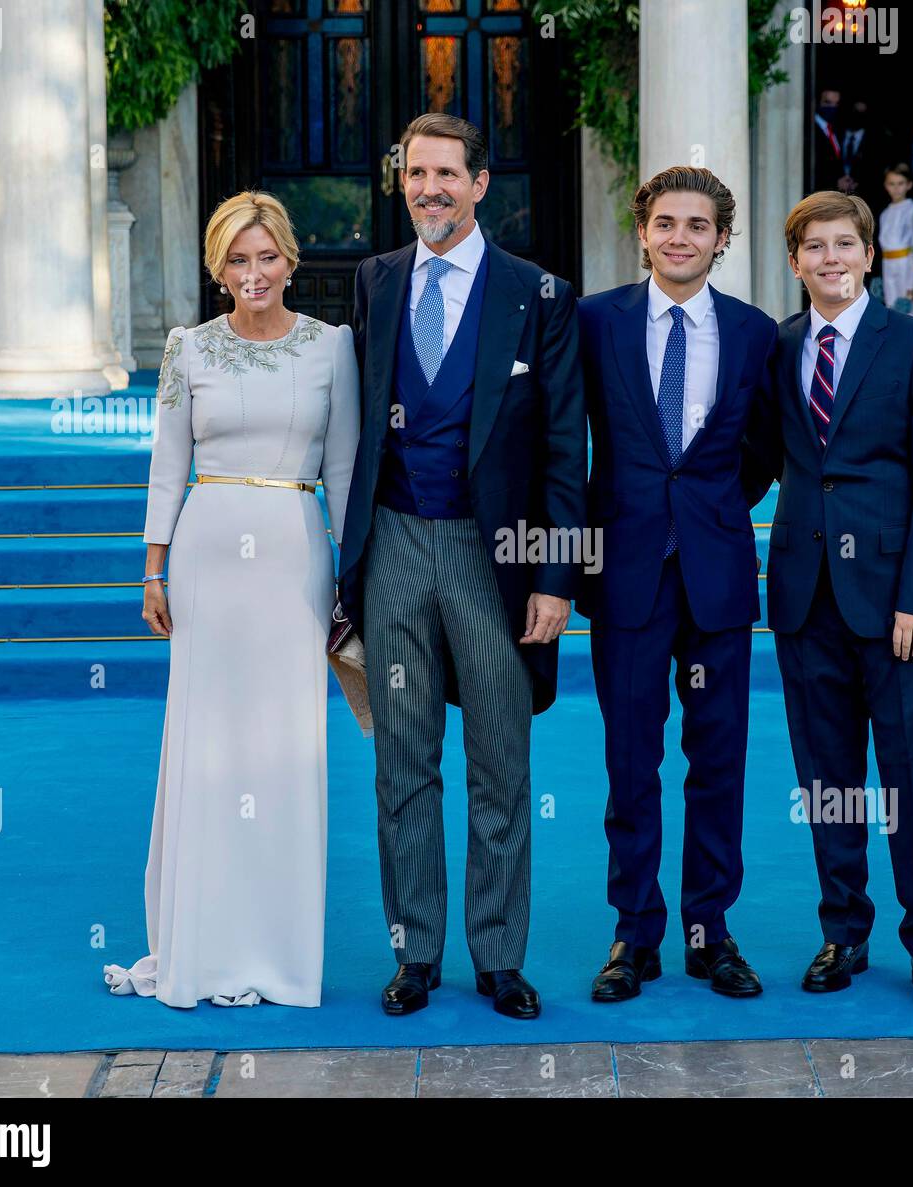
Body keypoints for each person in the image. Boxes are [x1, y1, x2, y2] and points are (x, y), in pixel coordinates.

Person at [337, 113, 588, 1021]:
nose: (429, 188)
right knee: (403, 763)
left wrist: (558, 577)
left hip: (502, 560)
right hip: (397, 541)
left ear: (482, 185)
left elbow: (566, 444)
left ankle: (498, 956)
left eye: (447, 173)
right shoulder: (375, 280)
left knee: (501, 764)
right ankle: (415, 952)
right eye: (415, 173)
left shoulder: (538, 292)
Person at [103, 191, 361, 1008]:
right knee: (209, 743)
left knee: (284, 746)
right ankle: (204, 945)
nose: (254, 273)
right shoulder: (188, 350)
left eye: (267, 257)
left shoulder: (332, 348)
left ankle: (276, 952)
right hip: (209, 556)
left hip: (293, 554)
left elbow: (347, 471)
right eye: (237, 260)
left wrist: (354, 578)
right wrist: (154, 566)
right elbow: (166, 462)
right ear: (219, 270)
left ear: (290, 259)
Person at [576, 166, 778, 1004]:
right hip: (624, 572)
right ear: (643, 231)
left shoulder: (757, 332)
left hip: (718, 572)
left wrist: (710, 513)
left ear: (721, 238)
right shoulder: (594, 324)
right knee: (631, 760)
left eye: (697, 225)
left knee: (718, 757)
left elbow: (762, 452)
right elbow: (565, 437)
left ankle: (710, 930)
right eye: (666, 223)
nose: (680, 237)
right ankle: (634, 931)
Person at [767, 190, 913, 1010]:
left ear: (870, 255)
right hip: (802, 598)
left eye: (845, 244)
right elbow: (755, 460)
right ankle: (843, 931)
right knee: (829, 778)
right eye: (814, 247)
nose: (831, 259)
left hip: (898, 607)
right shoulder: (778, 348)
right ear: (795, 262)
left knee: (911, 776)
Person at [878, 164, 913, 313]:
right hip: (888, 264)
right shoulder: (885, 214)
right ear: (885, 186)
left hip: (906, 264)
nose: (896, 188)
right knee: (891, 308)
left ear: (909, 185)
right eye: (892, 184)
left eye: (900, 184)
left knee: (909, 309)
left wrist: (912, 282)